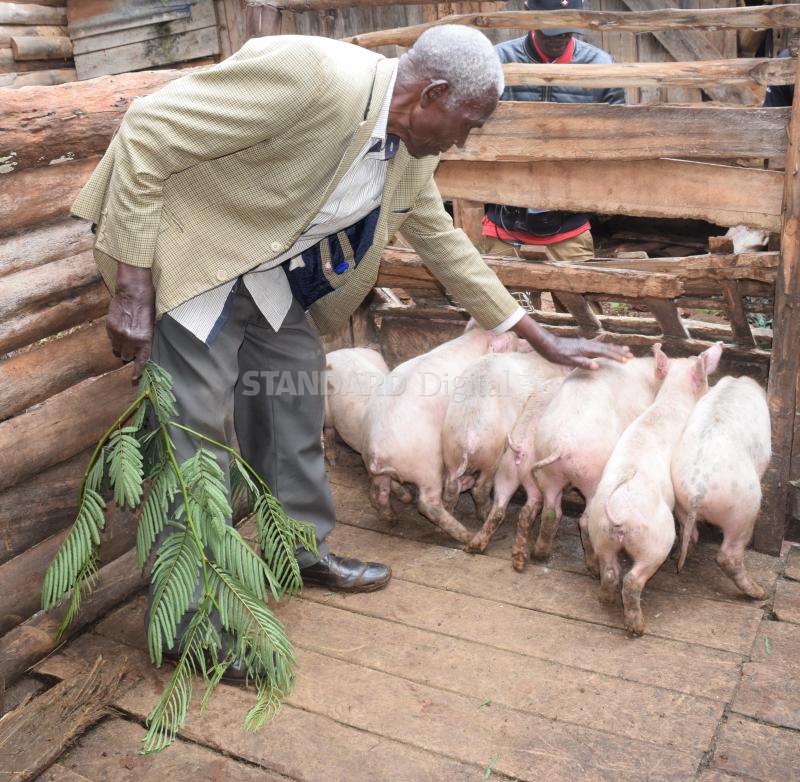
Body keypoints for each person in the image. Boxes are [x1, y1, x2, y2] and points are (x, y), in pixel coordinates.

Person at [72, 25, 629, 676]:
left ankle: (296, 549)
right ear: (433, 94)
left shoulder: (410, 149)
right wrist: (135, 285)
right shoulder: (311, 76)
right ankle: (189, 622)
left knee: (294, 393)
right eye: (467, 122)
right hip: (190, 252)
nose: (464, 139)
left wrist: (535, 333)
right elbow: (147, 129)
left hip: (266, 268)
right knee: (193, 435)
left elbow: (443, 242)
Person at [481, 0, 624, 262]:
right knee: (501, 299)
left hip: (569, 222)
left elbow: (618, 138)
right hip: (505, 218)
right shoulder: (497, 60)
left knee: (579, 301)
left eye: (568, 30)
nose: (561, 37)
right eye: (552, 30)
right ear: (529, 16)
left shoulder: (600, 66)